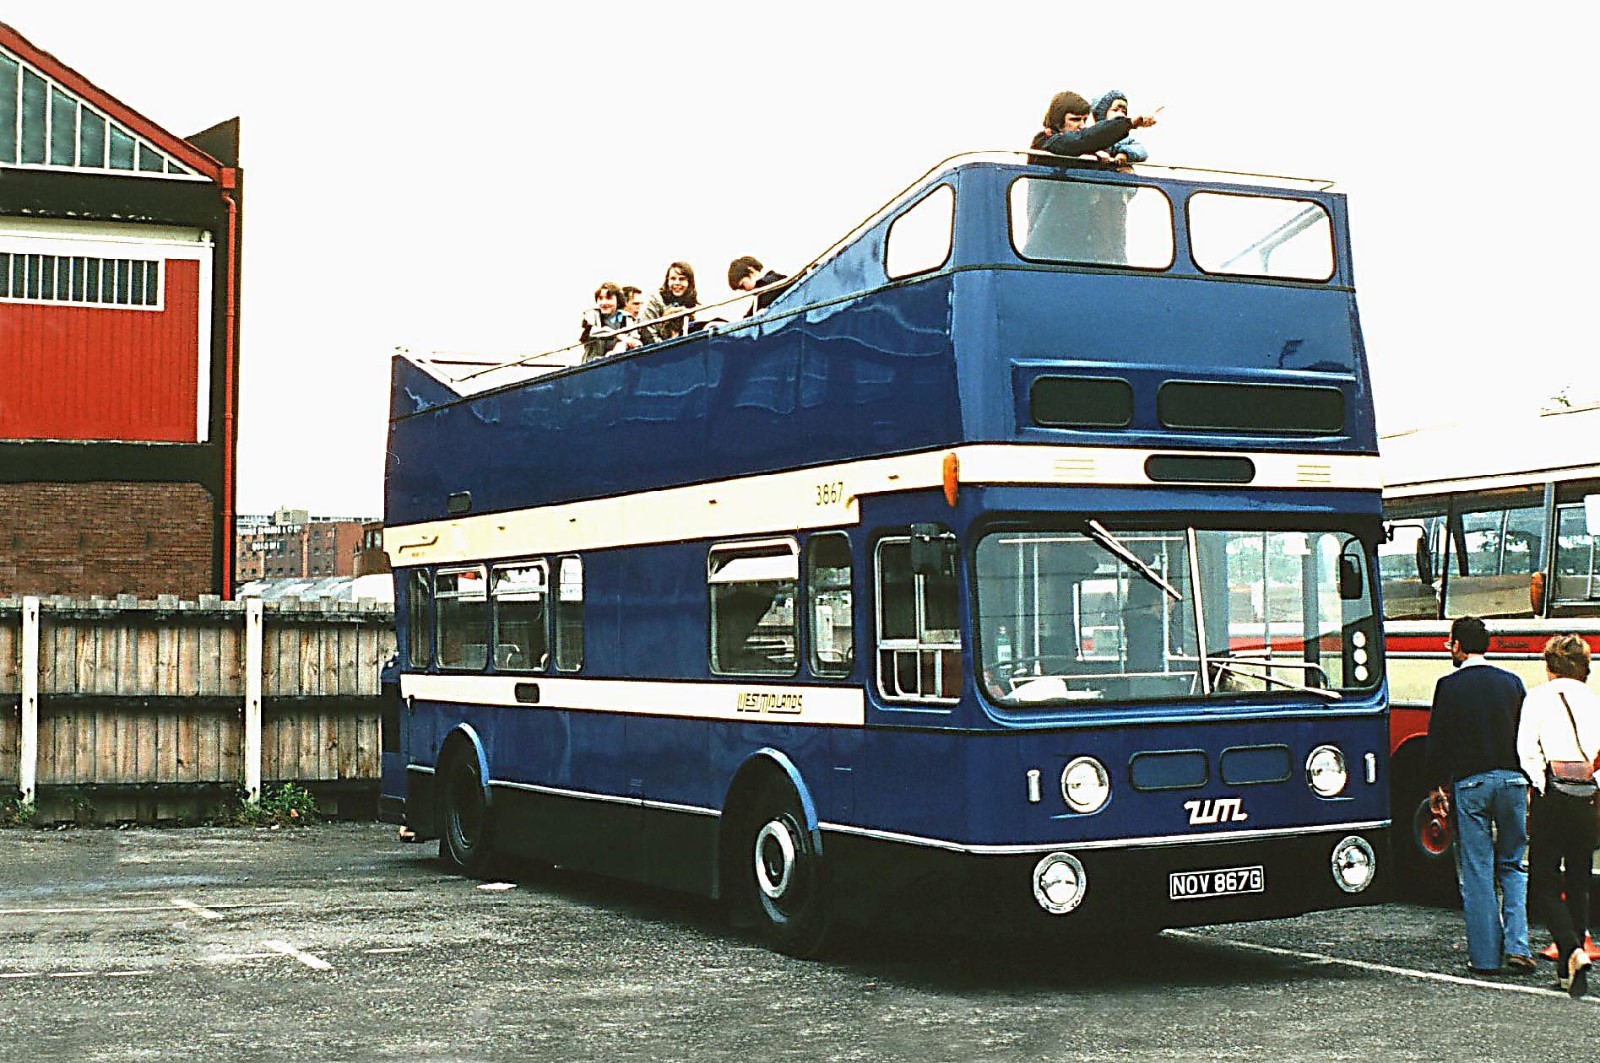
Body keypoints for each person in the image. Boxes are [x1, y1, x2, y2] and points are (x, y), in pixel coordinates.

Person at [1424, 615, 1534, 974]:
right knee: (1514, 864)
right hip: (1514, 781)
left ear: (1457, 645)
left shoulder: (1448, 686)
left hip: (1471, 784)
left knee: (1477, 868)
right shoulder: (1512, 683)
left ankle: (1486, 958)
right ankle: (1519, 946)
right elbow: (1524, 735)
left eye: (1449, 643)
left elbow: (1437, 742)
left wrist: (1435, 787)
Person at [1517, 634, 1600, 996]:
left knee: (1544, 879)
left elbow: (1526, 750)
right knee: (1579, 879)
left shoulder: (1537, 697)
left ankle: (1572, 948)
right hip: (1587, 796)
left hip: (1553, 792)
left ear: (1550, 665)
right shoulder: (1594, 701)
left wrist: (1541, 784)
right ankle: (1568, 972)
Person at [578, 281, 640, 363]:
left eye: (609, 298)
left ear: (618, 300)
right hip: (592, 364)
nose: (604, 303)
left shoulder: (626, 317)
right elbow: (593, 332)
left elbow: (635, 340)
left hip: (621, 364)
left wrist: (623, 344)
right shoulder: (591, 315)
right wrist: (618, 335)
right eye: (600, 298)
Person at [640, 262, 699, 343]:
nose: (677, 283)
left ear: (689, 282)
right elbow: (646, 330)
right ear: (667, 281)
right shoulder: (655, 300)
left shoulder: (692, 303)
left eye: (682, 279)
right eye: (673, 278)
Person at [1091, 89, 1150, 166]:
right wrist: (1095, 153)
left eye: (1124, 112)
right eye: (1115, 110)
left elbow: (1141, 150)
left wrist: (1124, 153)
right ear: (1102, 114)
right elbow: (1080, 145)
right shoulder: (1091, 134)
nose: (1121, 114)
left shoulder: (1124, 138)